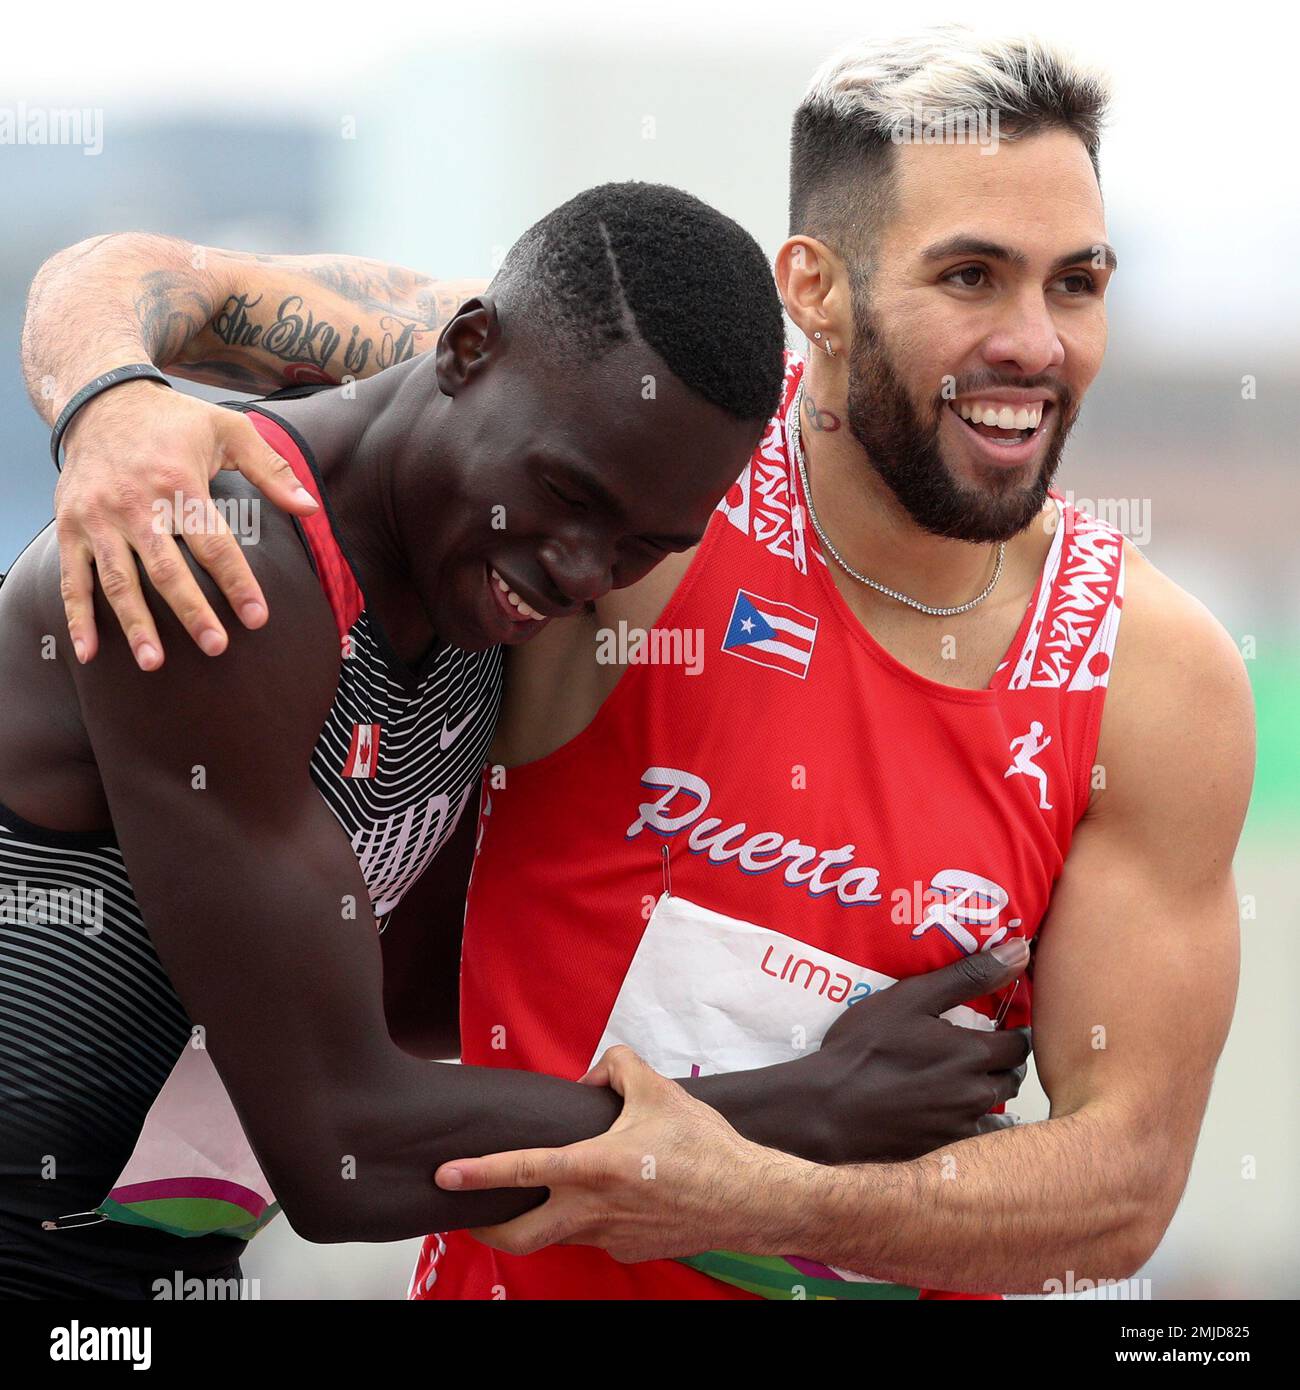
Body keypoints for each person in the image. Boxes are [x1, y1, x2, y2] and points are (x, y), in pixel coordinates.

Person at [22, 27, 1252, 1301]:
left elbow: (1123, 1189)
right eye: (970, 276)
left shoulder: (1153, 674)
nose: (1032, 343)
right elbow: (146, 275)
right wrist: (110, 404)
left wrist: (777, 1194)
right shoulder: (615, 453)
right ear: (817, 288)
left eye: (1076, 283)